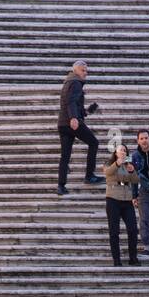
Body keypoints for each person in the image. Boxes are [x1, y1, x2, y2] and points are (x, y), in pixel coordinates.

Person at [57, 60, 101, 196]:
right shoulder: (75, 83)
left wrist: (86, 112)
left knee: (65, 155)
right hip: (71, 122)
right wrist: (74, 118)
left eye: (86, 71)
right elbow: (70, 101)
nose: (85, 73)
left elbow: (72, 103)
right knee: (94, 142)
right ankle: (89, 176)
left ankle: (61, 185)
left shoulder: (68, 82)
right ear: (75, 71)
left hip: (62, 124)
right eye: (83, 70)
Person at [103, 145, 140, 267]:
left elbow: (135, 180)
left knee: (133, 229)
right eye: (121, 150)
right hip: (113, 199)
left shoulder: (128, 165)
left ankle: (133, 257)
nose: (123, 152)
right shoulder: (110, 163)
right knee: (114, 231)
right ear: (116, 153)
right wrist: (118, 163)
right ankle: (116, 259)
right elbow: (107, 173)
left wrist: (132, 171)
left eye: (125, 151)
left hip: (127, 200)